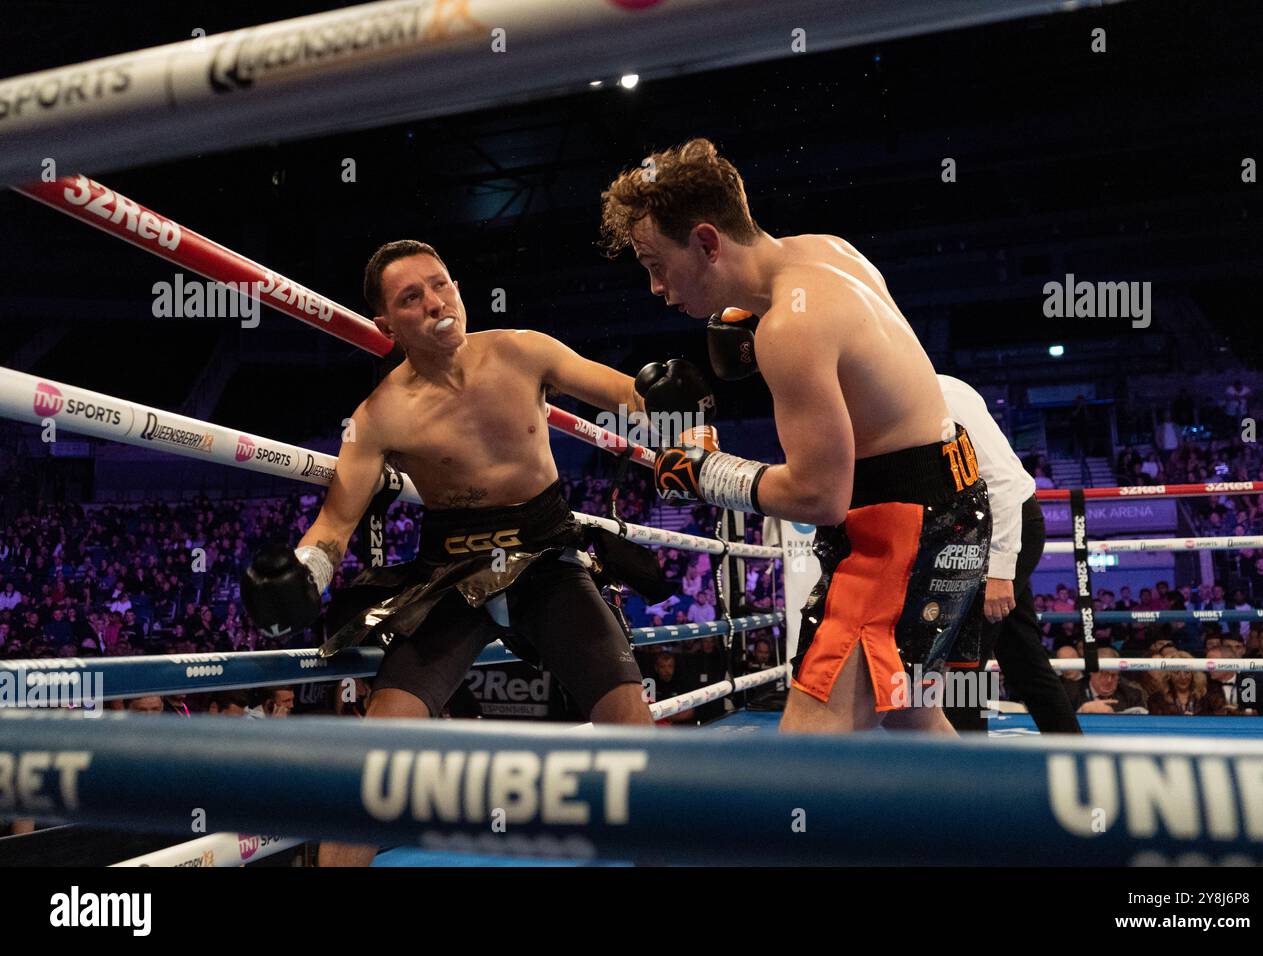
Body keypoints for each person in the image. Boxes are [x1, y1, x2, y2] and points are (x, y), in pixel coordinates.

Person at [241, 240, 653, 866]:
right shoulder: (379, 415)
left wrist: (684, 387)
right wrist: (304, 574)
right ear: (386, 324)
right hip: (452, 572)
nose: (436, 302)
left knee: (632, 729)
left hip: (547, 555)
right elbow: (336, 521)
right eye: (412, 296)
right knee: (377, 758)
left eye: (441, 284)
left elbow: (633, 396)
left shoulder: (522, 349)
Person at [601, 138, 990, 735]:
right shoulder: (827, 251)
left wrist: (706, 470)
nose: (655, 288)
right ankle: (987, 827)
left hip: (900, 527)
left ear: (707, 242)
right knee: (910, 711)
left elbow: (818, 499)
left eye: (656, 266)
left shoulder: (789, 327)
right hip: (945, 501)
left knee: (809, 741)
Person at [936, 375, 1080, 734]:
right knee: (1022, 657)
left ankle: (965, 775)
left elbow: (1000, 485)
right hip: (964, 534)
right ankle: (1072, 748)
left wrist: (1001, 571)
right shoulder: (894, 400)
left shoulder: (945, 396)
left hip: (1007, 523)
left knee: (961, 657)